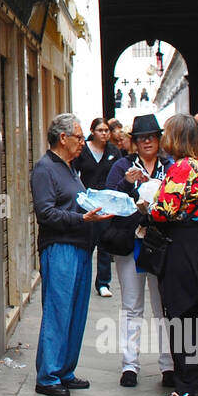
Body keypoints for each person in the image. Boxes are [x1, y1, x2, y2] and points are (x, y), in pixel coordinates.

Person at [30, 113, 112, 396]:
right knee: (58, 310)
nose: (82, 143)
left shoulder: (69, 167)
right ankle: (48, 376)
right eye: (78, 137)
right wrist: (83, 219)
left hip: (80, 247)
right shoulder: (44, 168)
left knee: (76, 312)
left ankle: (65, 370)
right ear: (62, 138)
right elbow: (46, 212)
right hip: (61, 246)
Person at [148, 114, 198, 396]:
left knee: (181, 317)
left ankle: (190, 385)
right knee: (193, 317)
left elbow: (164, 209)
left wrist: (147, 207)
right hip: (195, 242)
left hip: (181, 245)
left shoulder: (181, 167)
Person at [104, 114, 173, 387]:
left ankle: (168, 365)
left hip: (159, 244)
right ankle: (130, 365)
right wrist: (127, 184)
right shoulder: (121, 166)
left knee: (162, 307)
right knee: (131, 306)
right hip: (130, 244)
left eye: (152, 137)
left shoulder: (168, 167)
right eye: (142, 138)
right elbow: (110, 199)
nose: (147, 142)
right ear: (133, 142)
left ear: (159, 140)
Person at [75, 117, 121, 297]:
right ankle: (82, 279)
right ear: (92, 131)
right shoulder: (83, 151)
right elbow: (75, 173)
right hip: (87, 203)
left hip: (107, 203)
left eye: (107, 130)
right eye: (100, 130)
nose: (104, 134)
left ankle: (103, 283)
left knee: (104, 243)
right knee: (85, 242)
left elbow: (119, 174)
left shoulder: (114, 151)